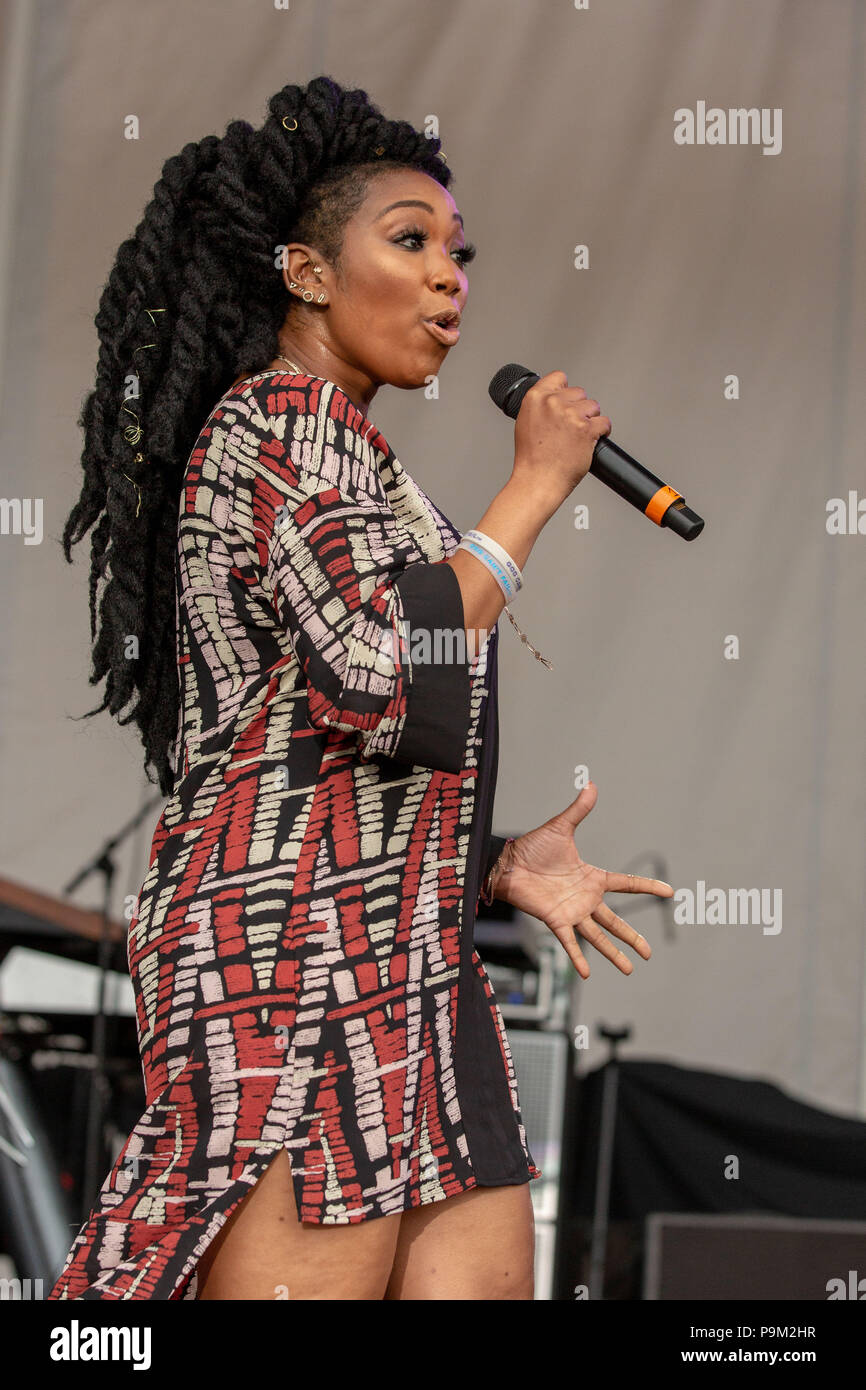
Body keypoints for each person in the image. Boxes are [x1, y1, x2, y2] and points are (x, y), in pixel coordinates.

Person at [48, 74, 672, 1302]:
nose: (451, 276)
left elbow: (338, 740)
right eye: (410, 240)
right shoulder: (274, 427)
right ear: (306, 272)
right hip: (290, 959)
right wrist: (535, 486)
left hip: (410, 957)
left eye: (458, 251)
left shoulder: (357, 455)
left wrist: (489, 860)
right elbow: (383, 669)